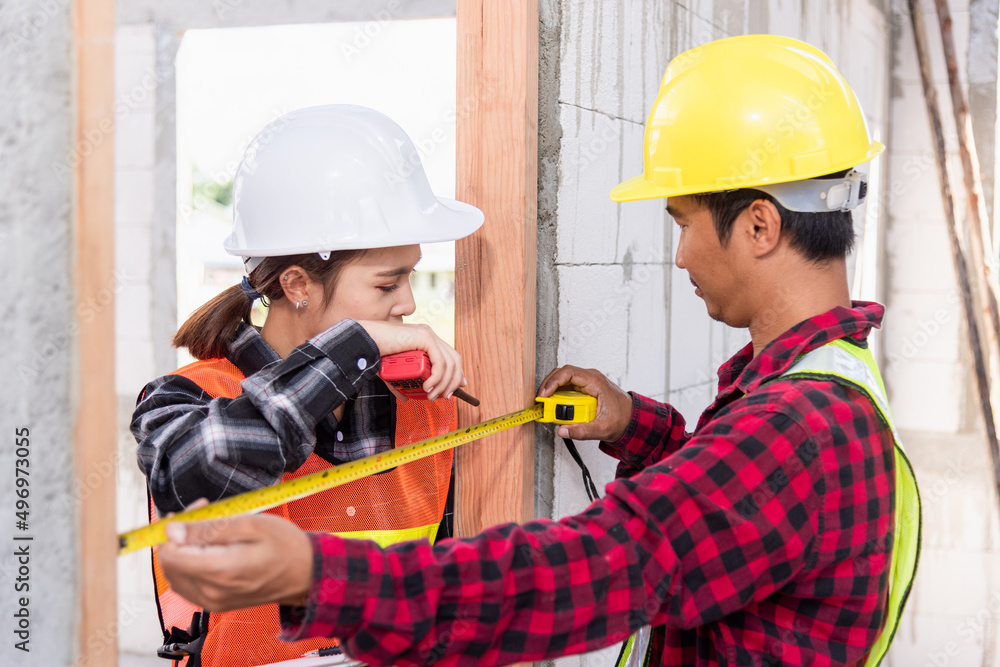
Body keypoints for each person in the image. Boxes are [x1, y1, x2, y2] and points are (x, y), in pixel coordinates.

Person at [157, 35, 921, 667]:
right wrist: (633, 428)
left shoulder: (797, 425)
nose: (680, 255)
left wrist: (321, 577)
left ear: (759, 226)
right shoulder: (821, 386)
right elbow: (733, 508)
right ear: (294, 282)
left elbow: (598, 565)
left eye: (682, 220)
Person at [131, 104, 483, 666]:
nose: (410, 304)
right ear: (297, 284)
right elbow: (204, 467)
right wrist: (351, 348)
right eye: (388, 283)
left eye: (410, 277)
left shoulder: (425, 407)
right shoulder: (188, 398)